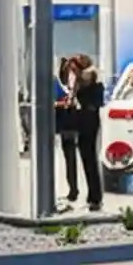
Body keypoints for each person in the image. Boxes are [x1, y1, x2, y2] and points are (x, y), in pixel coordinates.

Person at [70, 54, 105, 211]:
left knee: (89, 159)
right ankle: (93, 195)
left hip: (88, 122)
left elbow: (86, 100)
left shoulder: (89, 82)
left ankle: (95, 196)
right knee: (88, 159)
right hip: (87, 121)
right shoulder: (88, 83)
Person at [54, 56, 81, 203]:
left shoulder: (77, 84)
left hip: (71, 123)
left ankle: (74, 189)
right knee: (69, 157)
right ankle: (72, 188)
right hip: (66, 124)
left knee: (71, 157)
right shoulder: (59, 83)